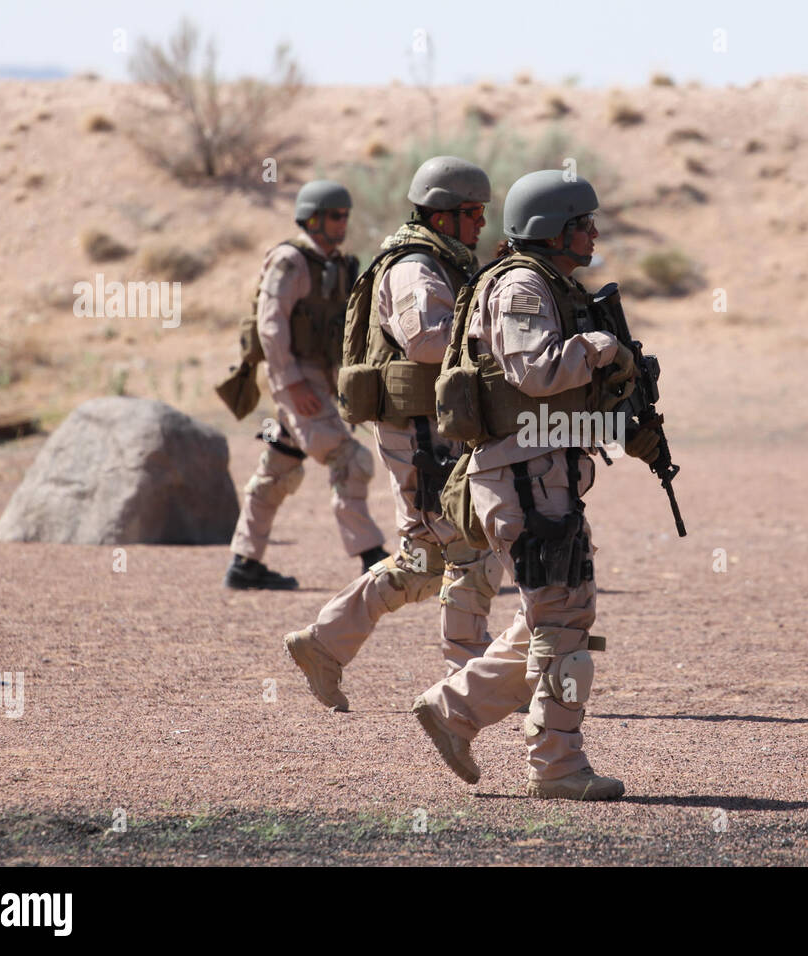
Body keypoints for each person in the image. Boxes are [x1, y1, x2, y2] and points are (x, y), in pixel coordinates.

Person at [411, 170, 659, 801]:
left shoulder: (546, 282)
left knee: (556, 615)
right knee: (562, 629)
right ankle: (555, 766)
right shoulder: (522, 284)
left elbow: (556, 399)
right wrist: (602, 348)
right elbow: (535, 369)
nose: (595, 234)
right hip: (523, 481)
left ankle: (453, 708)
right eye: (585, 224)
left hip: (540, 476)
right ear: (553, 229)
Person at [284, 158, 504, 709]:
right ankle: (470, 683)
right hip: (421, 436)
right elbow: (427, 341)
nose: (481, 222)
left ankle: (324, 643)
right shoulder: (413, 265)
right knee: (470, 550)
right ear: (441, 214)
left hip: (431, 429)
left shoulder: (446, 261)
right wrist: (493, 322)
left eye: (483, 211)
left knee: (425, 562)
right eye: (472, 212)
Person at [224, 180, 389, 590]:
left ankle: (244, 562)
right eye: (335, 216)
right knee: (349, 460)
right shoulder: (290, 262)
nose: (342, 223)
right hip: (295, 378)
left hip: (319, 379)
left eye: (346, 216)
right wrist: (292, 384)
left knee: (277, 469)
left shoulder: (337, 264)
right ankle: (371, 556)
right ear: (312, 218)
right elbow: (271, 325)